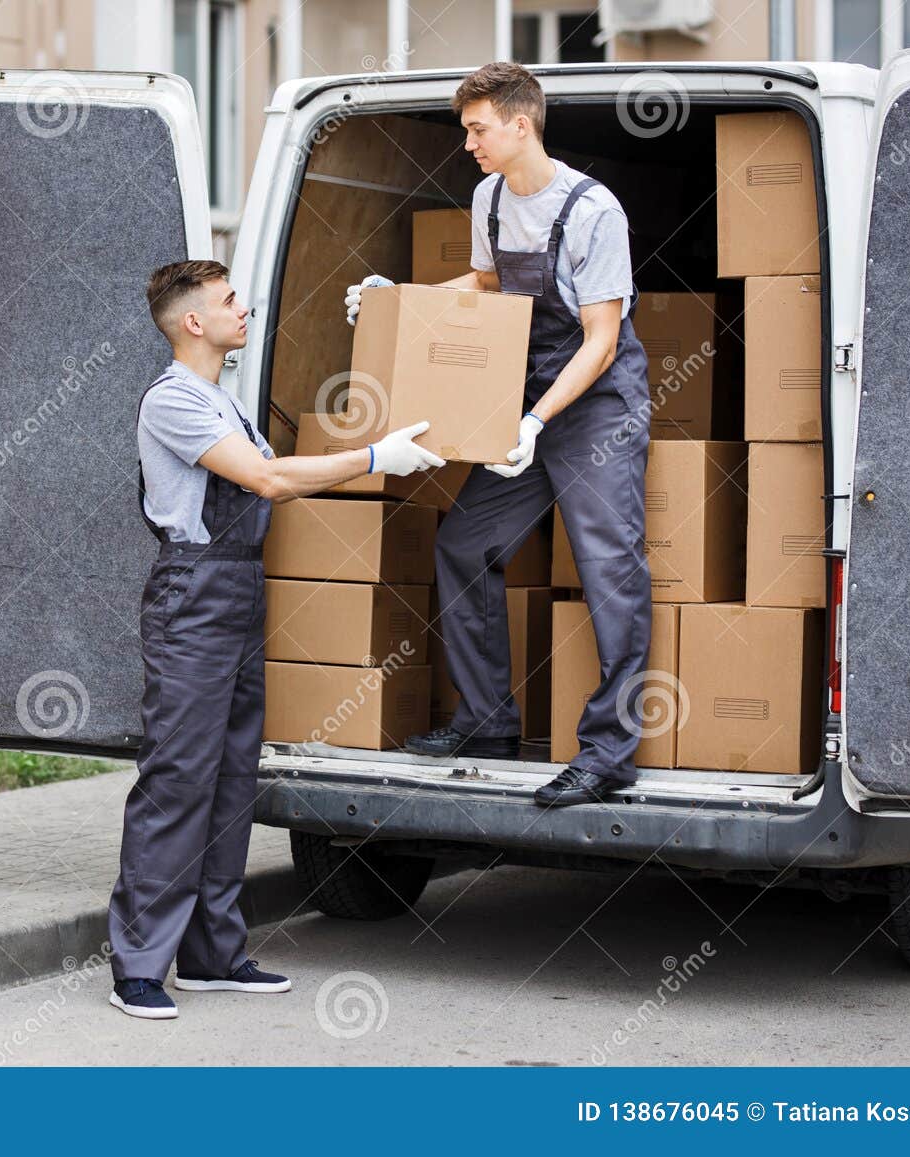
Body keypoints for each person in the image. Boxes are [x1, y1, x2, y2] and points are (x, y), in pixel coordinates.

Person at [108, 259, 443, 1019]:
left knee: (230, 780)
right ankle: (137, 964)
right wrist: (372, 458)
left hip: (235, 587)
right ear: (193, 322)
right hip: (192, 593)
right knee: (177, 779)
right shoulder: (174, 402)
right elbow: (265, 481)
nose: (243, 307)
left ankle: (213, 954)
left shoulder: (222, 400)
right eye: (229, 301)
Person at [344, 61, 652, 809]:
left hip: (594, 405)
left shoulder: (592, 211)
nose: (469, 145)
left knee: (608, 567)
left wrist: (538, 420)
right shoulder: (488, 197)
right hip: (523, 398)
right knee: (463, 544)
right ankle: (486, 723)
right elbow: (487, 287)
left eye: (478, 130)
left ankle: (607, 753)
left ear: (521, 124)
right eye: (467, 131)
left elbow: (601, 339)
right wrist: (399, 300)